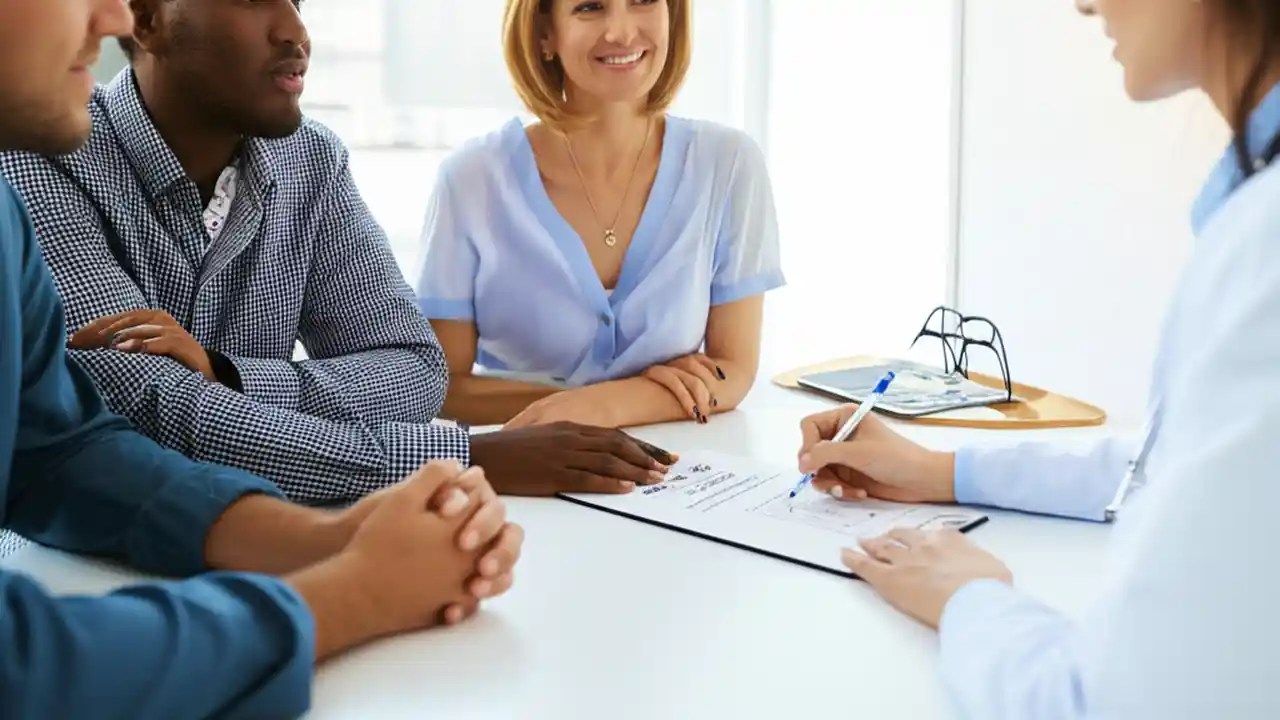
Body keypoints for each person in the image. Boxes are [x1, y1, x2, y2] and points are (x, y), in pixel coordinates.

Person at [0, 1, 523, 716]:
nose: (110, 14)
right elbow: (28, 668)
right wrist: (357, 588)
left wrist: (323, 536)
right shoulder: (33, 163)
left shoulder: (4, 214)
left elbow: (63, 448)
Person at [797, 0, 1280, 717]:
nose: (1081, 3)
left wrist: (968, 597)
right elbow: (1174, 464)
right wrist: (938, 472)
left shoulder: (1263, 249)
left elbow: (1108, 705)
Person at [0, 0, 675, 504]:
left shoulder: (310, 160)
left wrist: (229, 375)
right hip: (91, 570)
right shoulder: (40, 158)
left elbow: (415, 372)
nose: (295, 32)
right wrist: (464, 455)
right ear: (144, 20)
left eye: (297, 1)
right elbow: (155, 413)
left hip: (287, 538)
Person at [416, 0, 784, 429]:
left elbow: (732, 371)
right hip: (522, 478)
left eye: (643, 1)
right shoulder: (472, 178)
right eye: (590, 7)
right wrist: (594, 402)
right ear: (544, 34)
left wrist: (613, 403)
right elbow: (439, 388)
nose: (622, 33)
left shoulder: (728, 163)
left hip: (679, 476)